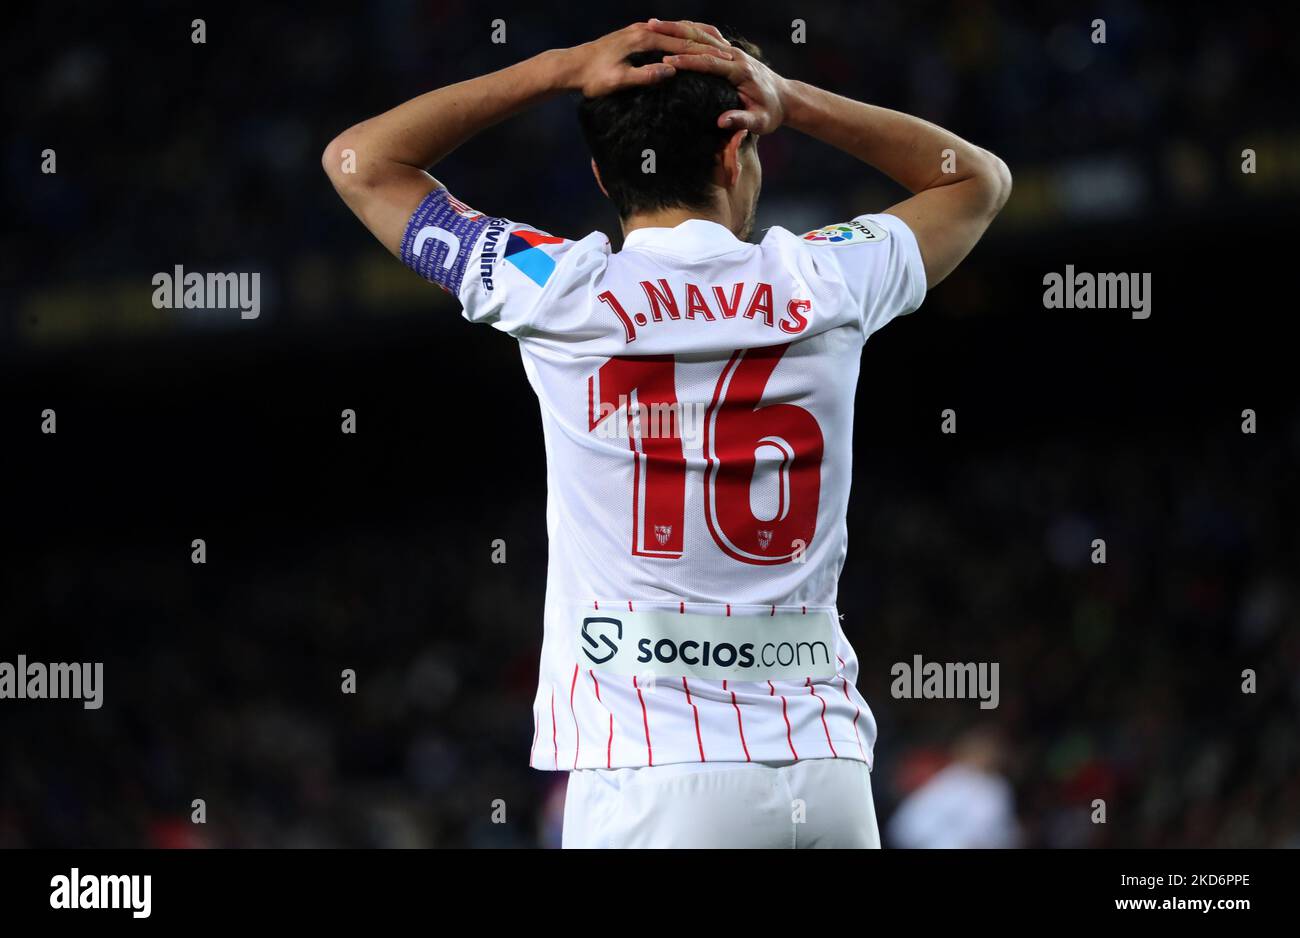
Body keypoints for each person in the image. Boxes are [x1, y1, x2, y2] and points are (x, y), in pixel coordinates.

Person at [323, 18, 1011, 848]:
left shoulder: (555, 289)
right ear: (736, 151)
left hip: (649, 772)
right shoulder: (825, 276)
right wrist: (797, 102)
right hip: (823, 765)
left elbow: (358, 162)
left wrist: (557, 69)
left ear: (601, 174)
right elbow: (975, 181)